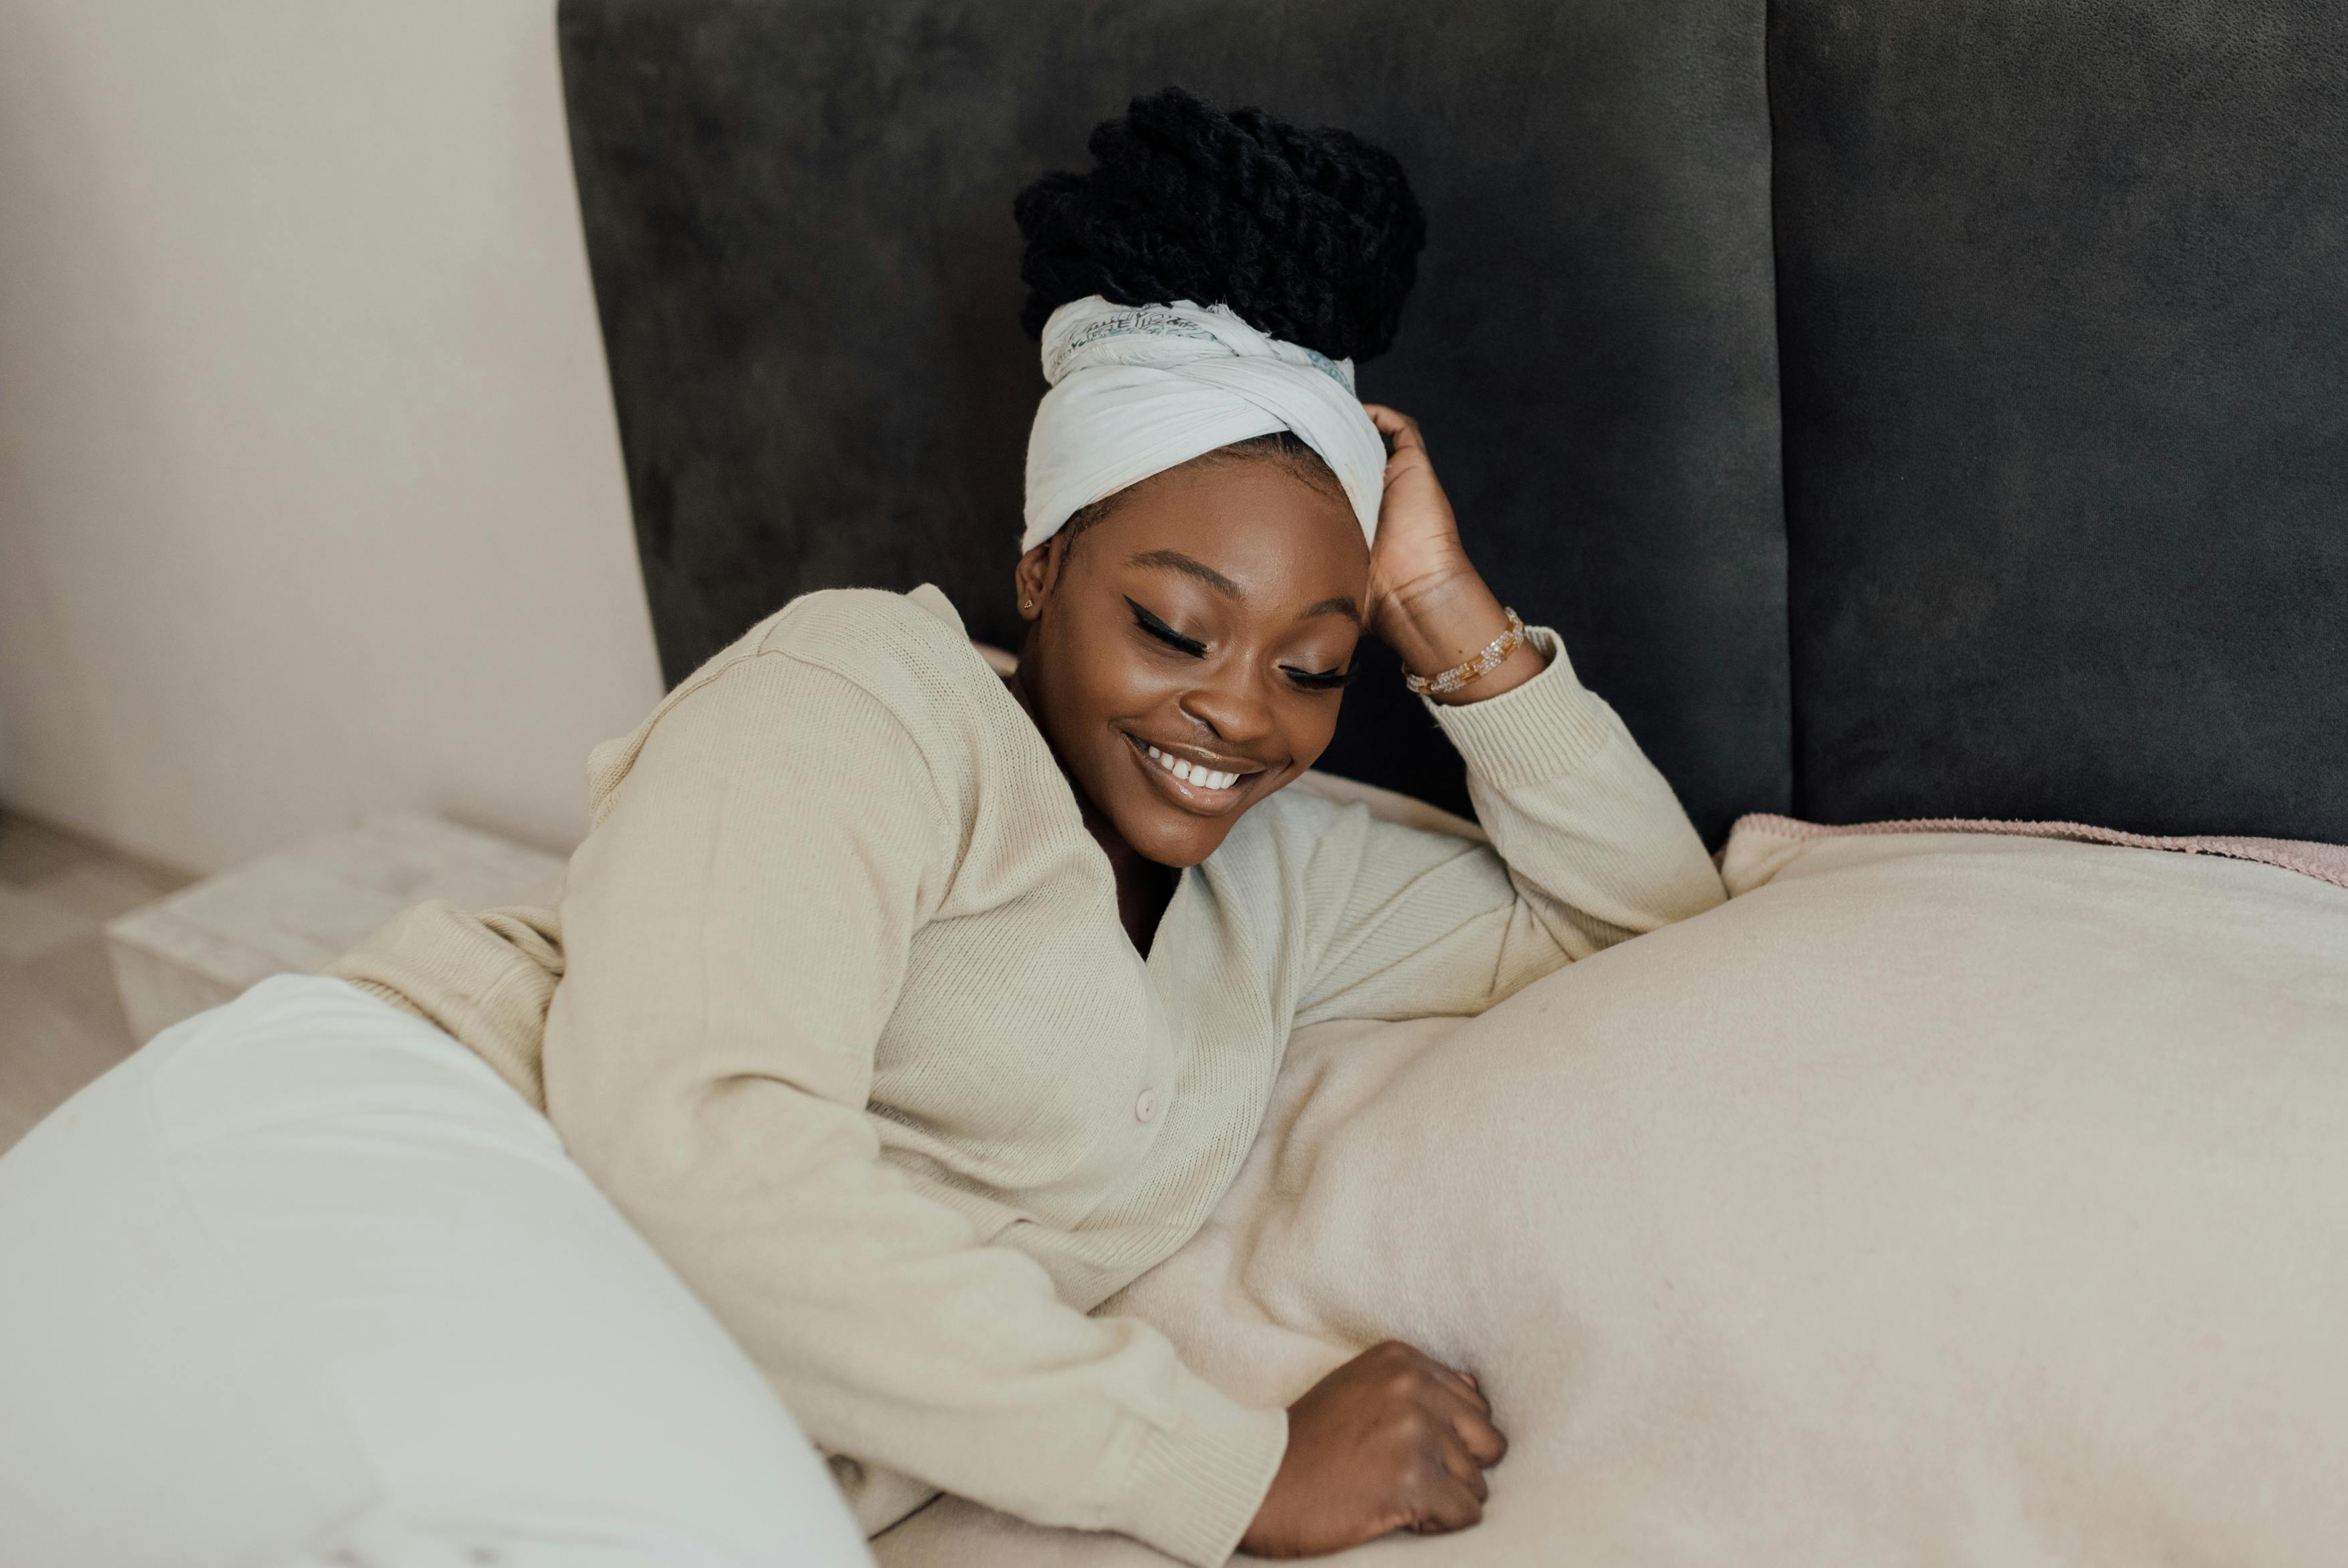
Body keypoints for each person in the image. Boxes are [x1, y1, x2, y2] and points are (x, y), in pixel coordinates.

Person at [330, 85, 1726, 1565]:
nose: (1242, 714)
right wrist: (1231, 1470)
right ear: (1045, 568)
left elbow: (1641, 921)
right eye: (1173, 626)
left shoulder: (1285, 878)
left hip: (631, 1442)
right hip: (391, 1225)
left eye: (1314, 664)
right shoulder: (864, 693)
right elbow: (697, 1142)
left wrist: (1445, 609)